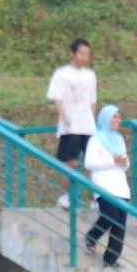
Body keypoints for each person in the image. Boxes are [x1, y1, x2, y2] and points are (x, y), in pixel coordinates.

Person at [46, 37, 97, 207]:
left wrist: (93, 121)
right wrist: (64, 115)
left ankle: (96, 198)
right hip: (70, 125)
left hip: (87, 125)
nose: (84, 58)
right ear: (73, 54)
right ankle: (67, 196)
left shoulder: (90, 76)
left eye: (87, 55)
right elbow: (58, 98)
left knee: (93, 162)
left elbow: (92, 101)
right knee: (71, 162)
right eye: (81, 54)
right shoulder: (62, 74)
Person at [83, 104, 130, 267]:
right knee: (110, 215)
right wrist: (112, 160)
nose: (118, 120)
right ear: (105, 118)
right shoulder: (96, 139)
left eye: (119, 117)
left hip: (120, 186)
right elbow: (89, 163)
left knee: (120, 225)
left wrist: (123, 162)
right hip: (103, 185)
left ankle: (111, 259)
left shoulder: (119, 139)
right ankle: (92, 236)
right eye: (114, 117)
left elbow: (126, 164)